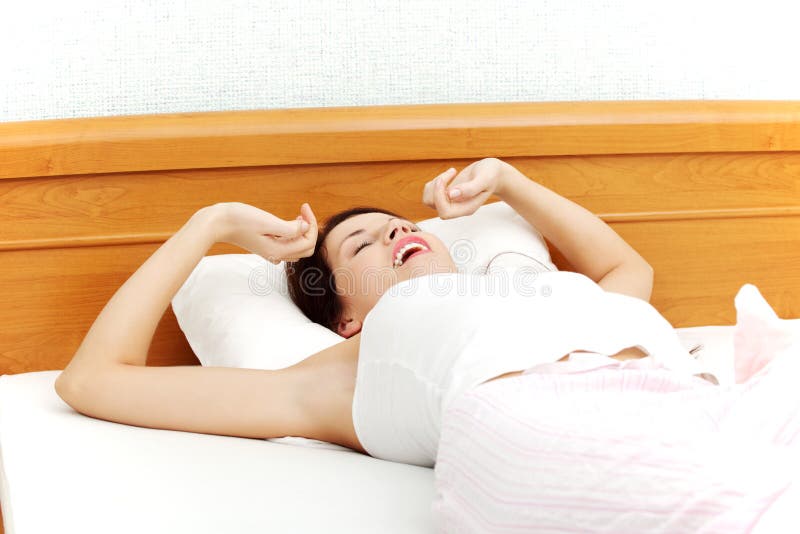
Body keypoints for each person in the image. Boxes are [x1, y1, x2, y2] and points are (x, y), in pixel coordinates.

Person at [55, 158, 800, 532]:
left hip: (695, 404)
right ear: (346, 316)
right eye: (362, 244)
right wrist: (209, 224)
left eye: (401, 226)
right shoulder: (355, 363)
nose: (399, 233)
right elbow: (92, 380)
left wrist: (507, 181)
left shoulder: (545, 291)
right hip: (542, 427)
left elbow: (625, 269)